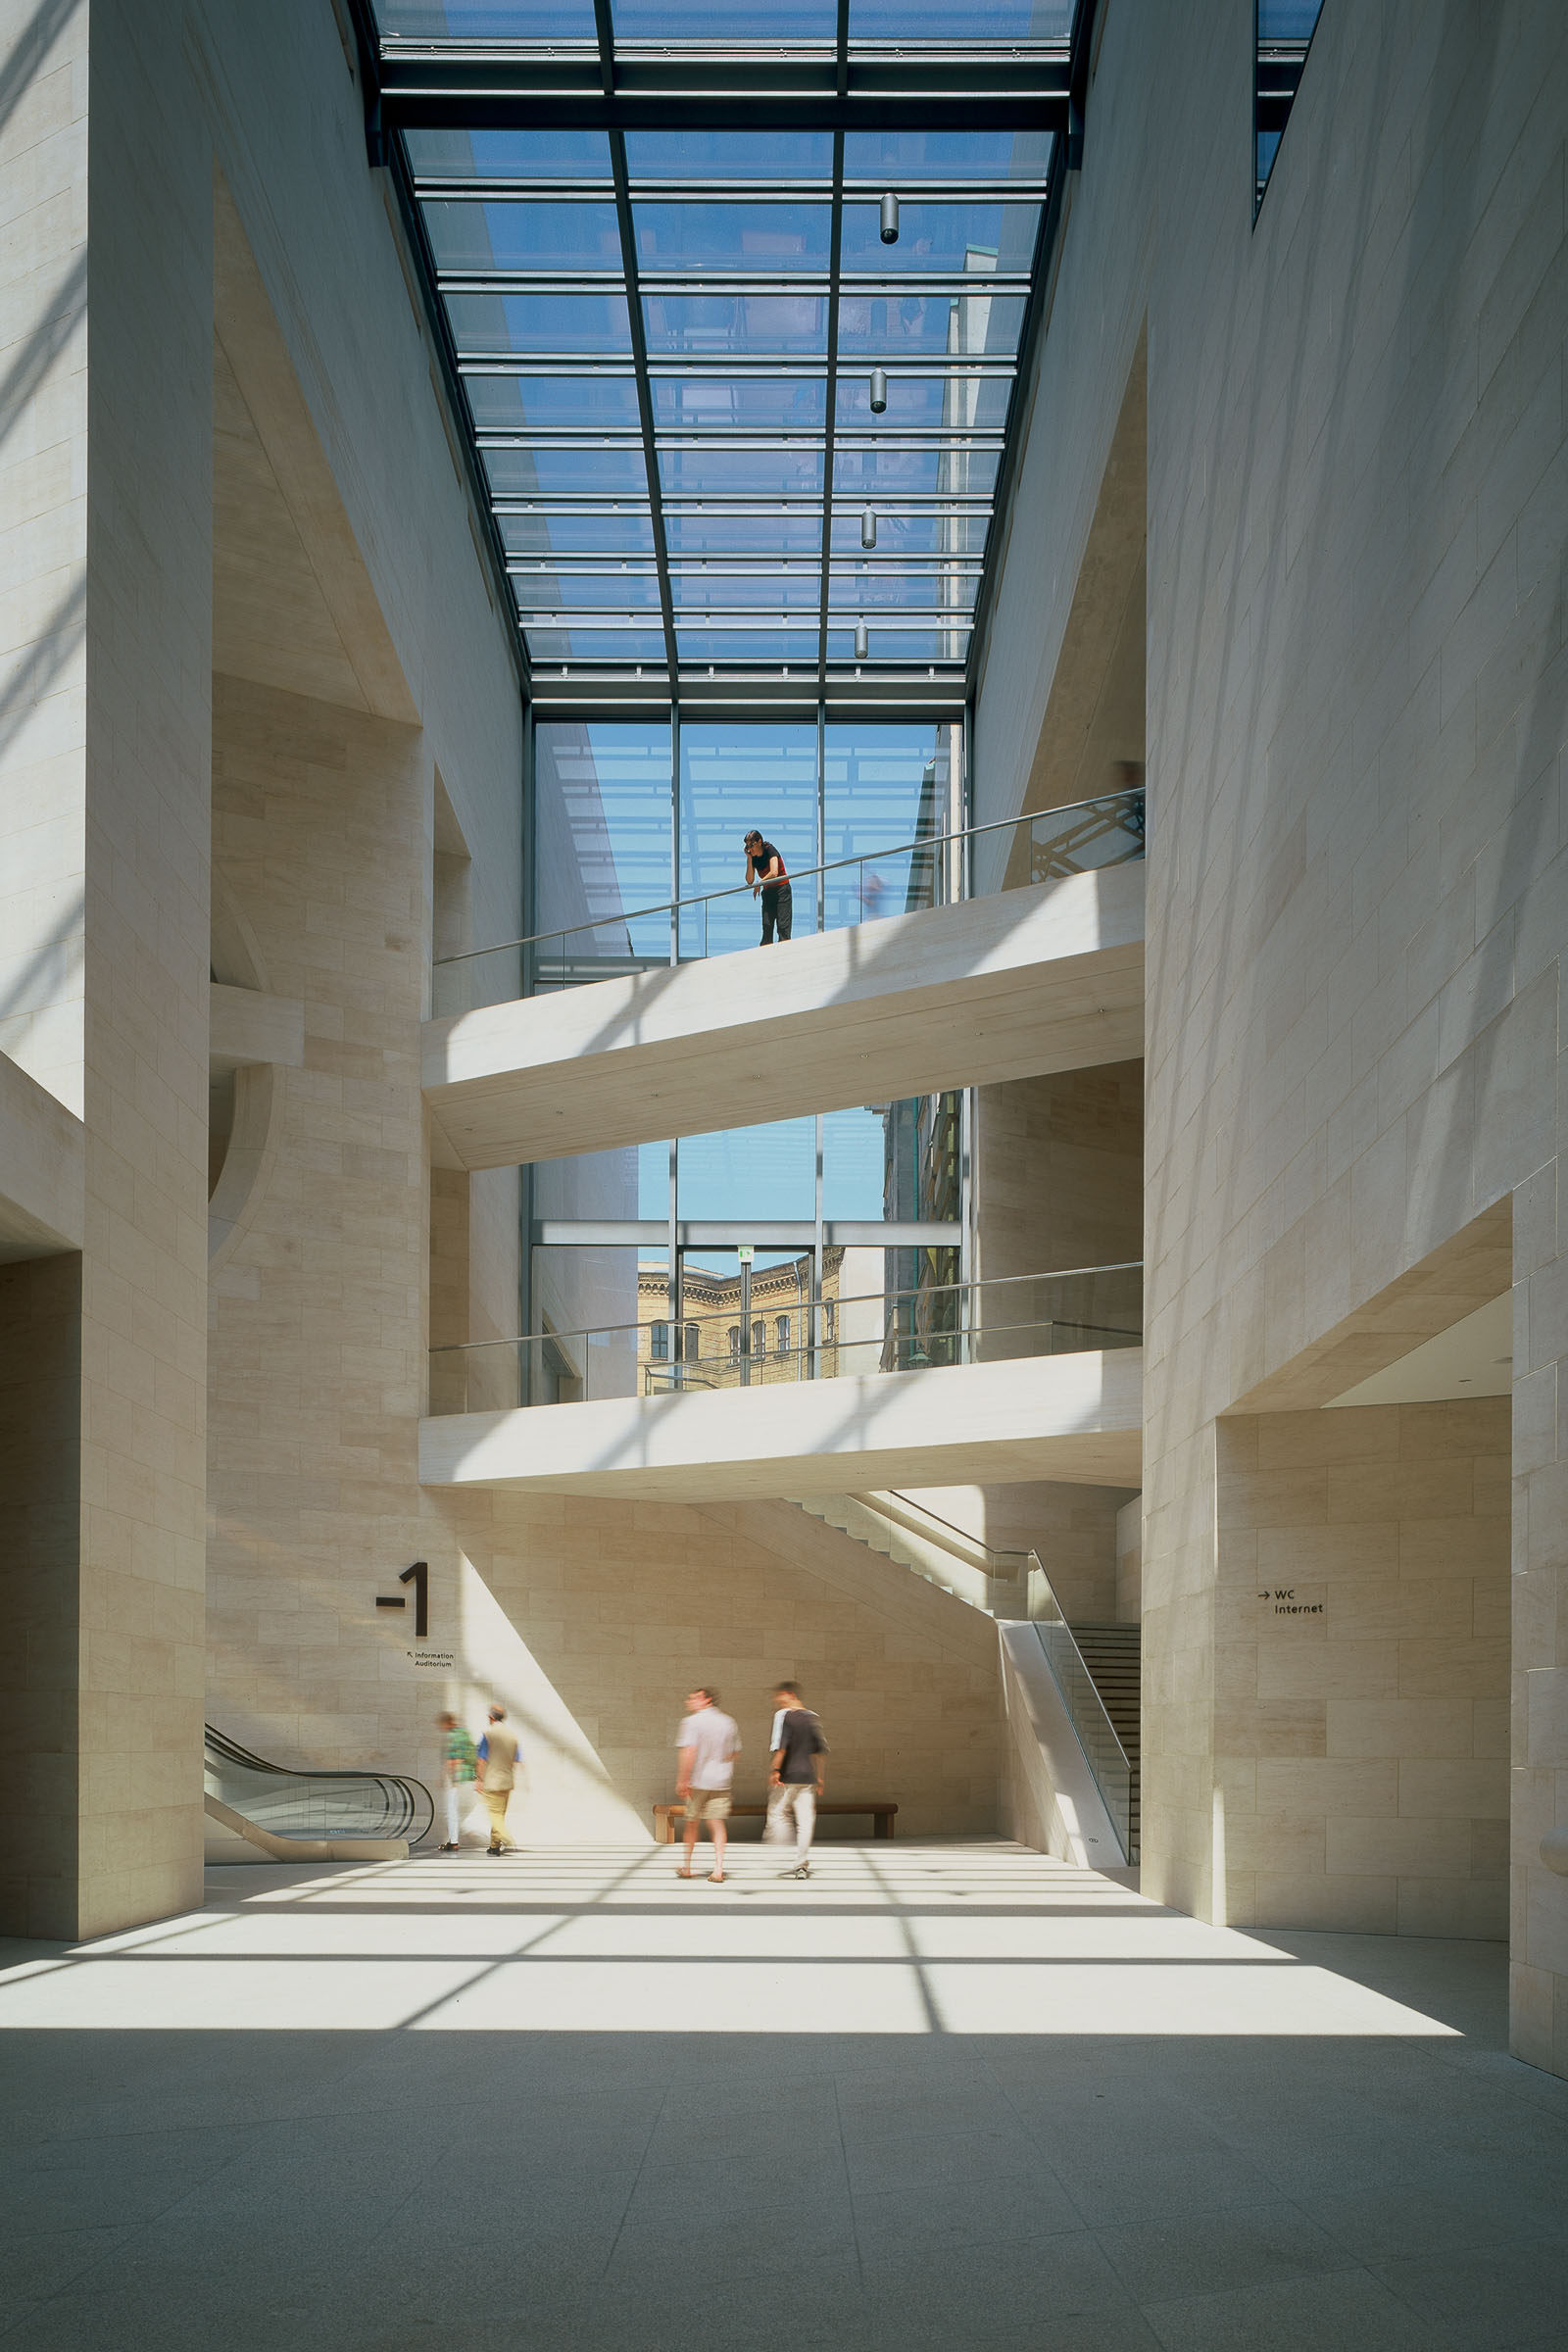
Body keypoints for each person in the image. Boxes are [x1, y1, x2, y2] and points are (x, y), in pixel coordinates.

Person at [674, 1687, 741, 1883]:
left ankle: (687, 1867)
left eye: (694, 1698)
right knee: (717, 1823)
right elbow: (735, 1752)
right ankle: (718, 1869)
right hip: (721, 1781)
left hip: (698, 1781)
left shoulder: (691, 1722)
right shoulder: (729, 1722)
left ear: (707, 1700)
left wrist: (682, 1780)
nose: (689, 1701)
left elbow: (689, 1752)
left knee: (692, 1822)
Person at [764, 1682, 827, 1880]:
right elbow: (820, 1752)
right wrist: (819, 1777)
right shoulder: (812, 1718)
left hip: (788, 1775)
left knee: (776, 1813)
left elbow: (781, 1747)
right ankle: (801, 1863)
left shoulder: (786, 1716)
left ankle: (781, 1845)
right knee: (806, 1822)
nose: (778, 1701)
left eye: (780, 1697)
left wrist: (775, 1770)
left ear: (789, 1694)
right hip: (807, 1776)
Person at [476, 1703, 521, 1854]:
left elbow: (482, 1759)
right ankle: (494, 1846)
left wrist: (479, 1779)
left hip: (492, 1781)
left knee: (494, 1815)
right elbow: (516, 1760)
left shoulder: (488, 1734)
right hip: (507, 1781)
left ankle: (507, 1838)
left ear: (491, 1717)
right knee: (500, 1814)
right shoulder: (513, 1736)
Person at [436, 1710, 476, 1852]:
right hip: (468, 1776)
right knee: (455, 1811)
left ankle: (455, 1841)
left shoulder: (453, 1736)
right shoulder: (464, 1733)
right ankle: (455, 1839)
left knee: (451, 1811)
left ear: (446, 1723)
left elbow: (454, 1759)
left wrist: (449, 1778)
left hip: (458, 1779)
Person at [743, 829, 792, 946]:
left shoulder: (770, 849)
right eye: (747, 846)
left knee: (783, 928)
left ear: (759, 841)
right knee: (767, 928)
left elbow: (774, 872)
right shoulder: (753, 858)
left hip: (782, 890)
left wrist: (760, 883)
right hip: (768, 893)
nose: (750, 849)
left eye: (752, 845)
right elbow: (749, 880)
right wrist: (749, 858)